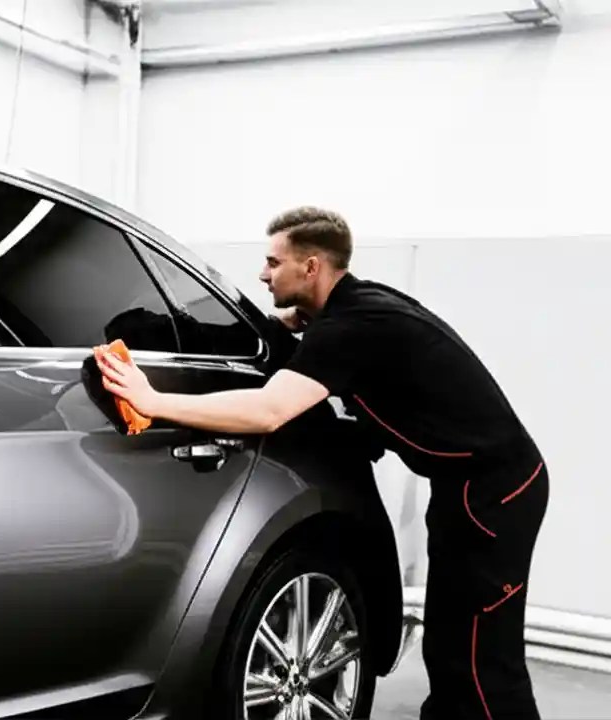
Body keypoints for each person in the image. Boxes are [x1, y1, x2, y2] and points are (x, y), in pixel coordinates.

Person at [94, 206, 547, 720]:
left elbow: (267, 411)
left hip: (495, 489)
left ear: (311, 267)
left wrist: (153, 402)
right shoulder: (357, 303)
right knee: (449, 640)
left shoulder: (351, 326)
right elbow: (298, 333)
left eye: (273, 262)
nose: (263, 274)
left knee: (481, 654)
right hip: (469, 485)